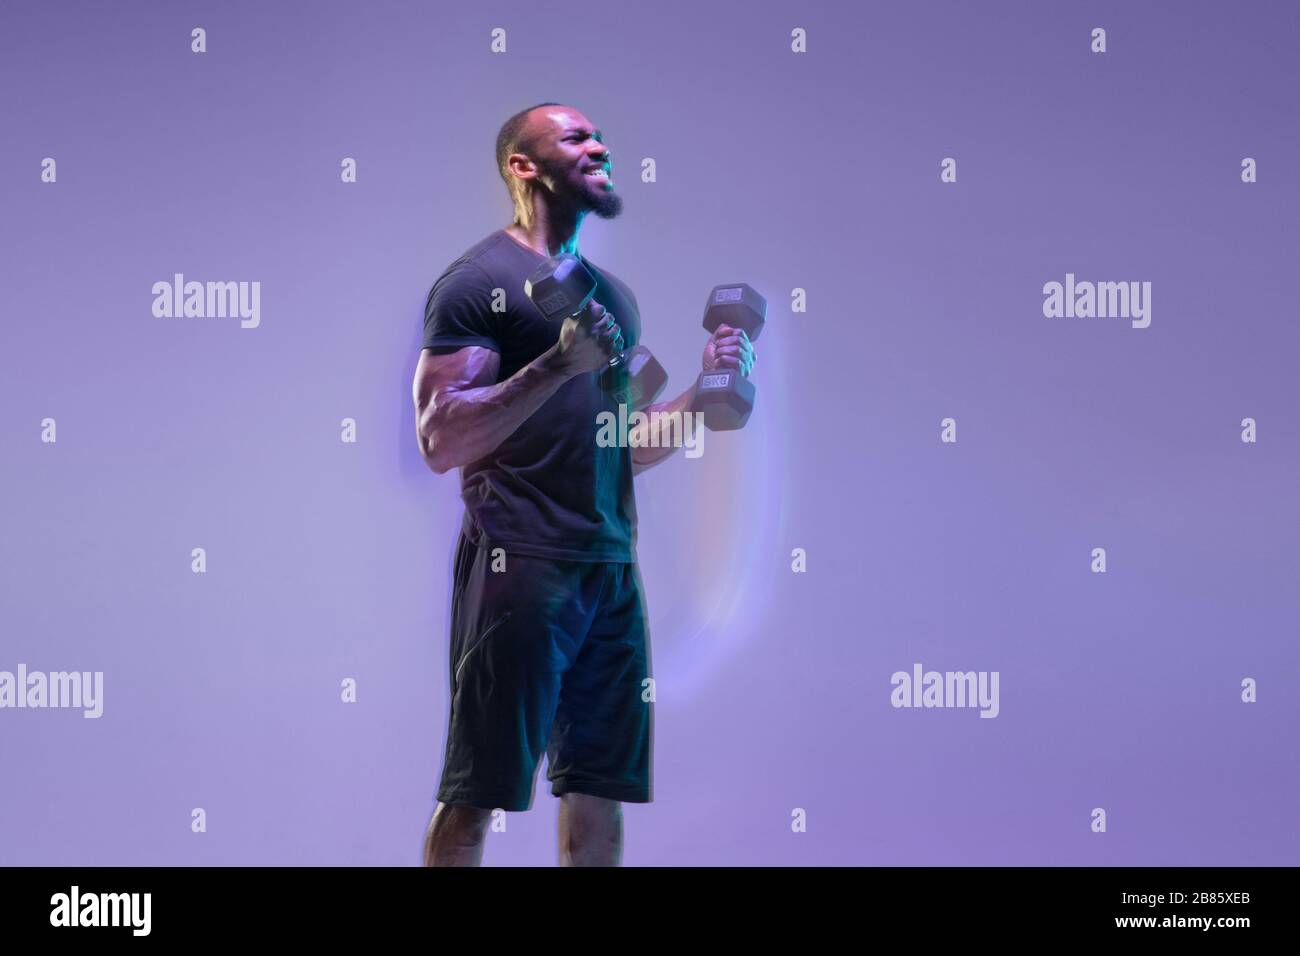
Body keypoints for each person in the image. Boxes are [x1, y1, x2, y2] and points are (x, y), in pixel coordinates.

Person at [412, 103, 756, 866]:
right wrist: (553, 365)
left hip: (608, 569)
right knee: (479, 793)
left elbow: (623, 447)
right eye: (574, 137)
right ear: (523, 166)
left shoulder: (612, 298)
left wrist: (703, 392)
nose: (598, 144)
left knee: (596, 792)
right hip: (517, 567)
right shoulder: (479, 283)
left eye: (599, 135)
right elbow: (441, 439)